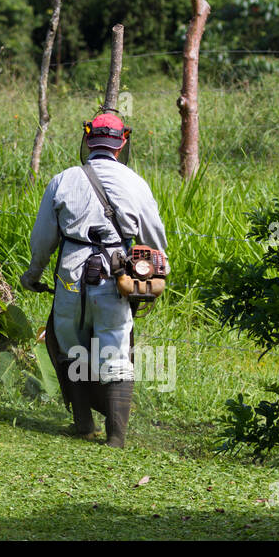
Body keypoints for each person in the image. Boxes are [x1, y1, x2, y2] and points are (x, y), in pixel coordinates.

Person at [19, 112, 168, 447]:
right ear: (123, 142)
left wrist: (33, 274)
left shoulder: (63, 180)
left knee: (70, 346)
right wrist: (159, 270)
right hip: (116, 278)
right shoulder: (135, 183)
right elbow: (154, 237)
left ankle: (84, 424)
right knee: (115, 348)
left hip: (70, 275)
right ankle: (116, 438)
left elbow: (43, 239)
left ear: (87, 140)